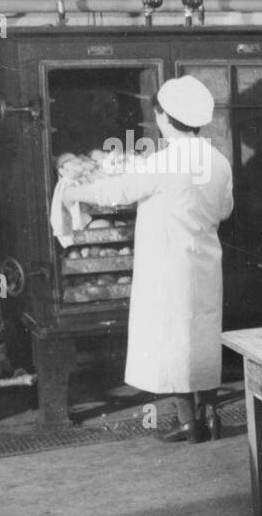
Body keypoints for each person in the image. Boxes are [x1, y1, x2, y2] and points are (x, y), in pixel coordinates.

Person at [58, 75, 234, 442]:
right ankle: (211, 416)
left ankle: (188, 423)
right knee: (202, 337)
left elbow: (117, 191)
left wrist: (75, 192)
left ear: (164, 118)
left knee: (174, 343)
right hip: (204, 260)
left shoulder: (164, 161)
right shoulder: (218, 160)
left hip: (168, 265)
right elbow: (225, 209)